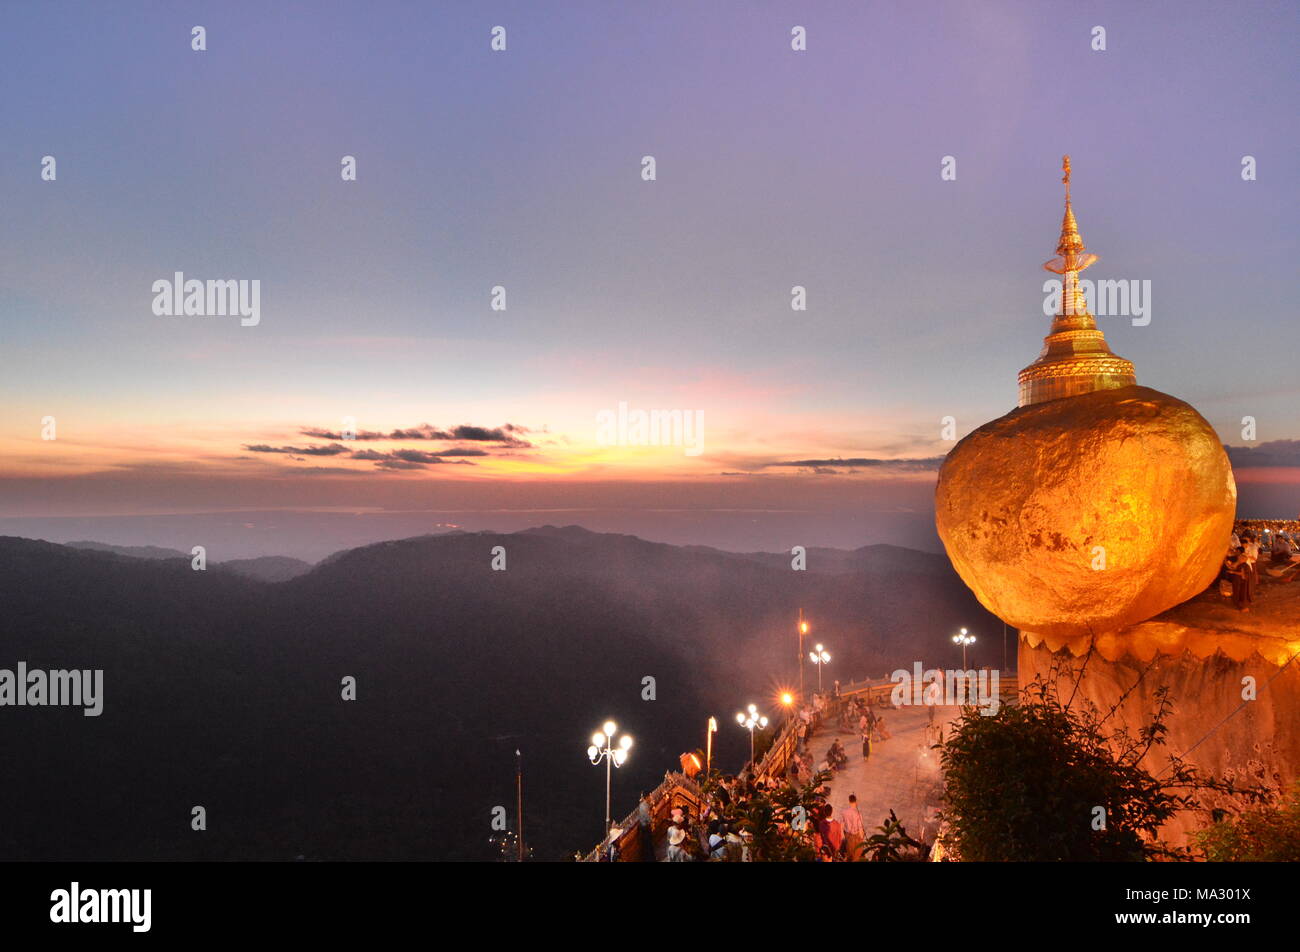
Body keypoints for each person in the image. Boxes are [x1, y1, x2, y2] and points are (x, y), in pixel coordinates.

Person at [842, 794, 865, 862]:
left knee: (849, 856)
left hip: (848, 836)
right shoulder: (858, 814)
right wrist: (861, 838)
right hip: (856, 836)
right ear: (856, 801)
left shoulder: (844, 812)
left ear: (849, 801)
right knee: (856, 857)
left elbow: (842, 825)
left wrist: (843, 836)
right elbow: (860, 827)